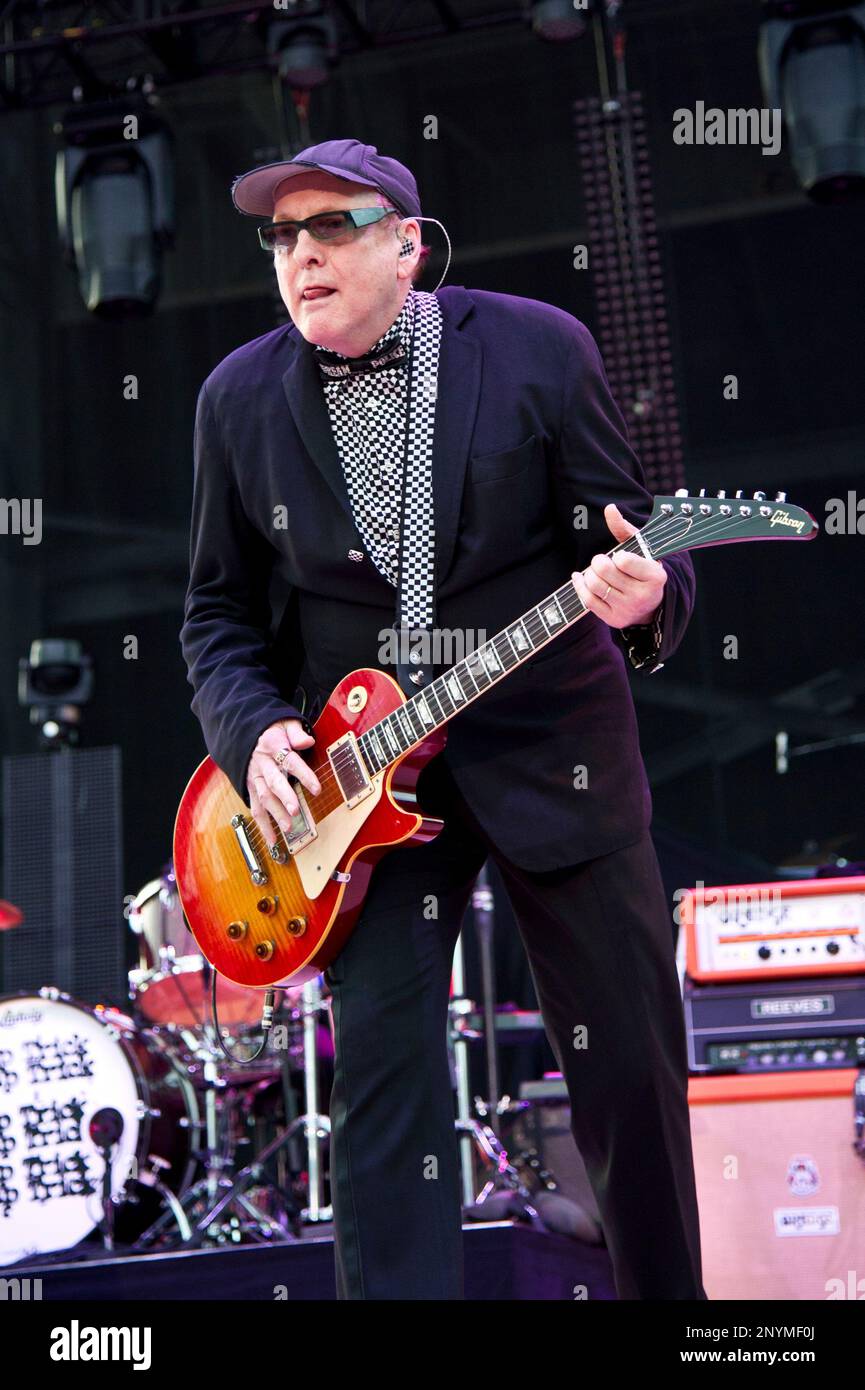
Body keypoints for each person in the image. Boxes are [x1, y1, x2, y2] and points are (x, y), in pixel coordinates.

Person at [180, 138, 706, 1300]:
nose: (301, 254)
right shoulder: (236, 399)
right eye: (282, 236)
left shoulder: (536, 348)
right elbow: (216, 616)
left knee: (625, 1072)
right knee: (386, 1091)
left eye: (332, 228)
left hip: (550, 746)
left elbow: (641, 537)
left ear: (408, 245)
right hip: (354, 796)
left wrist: (649, 591)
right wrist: (255, 732)